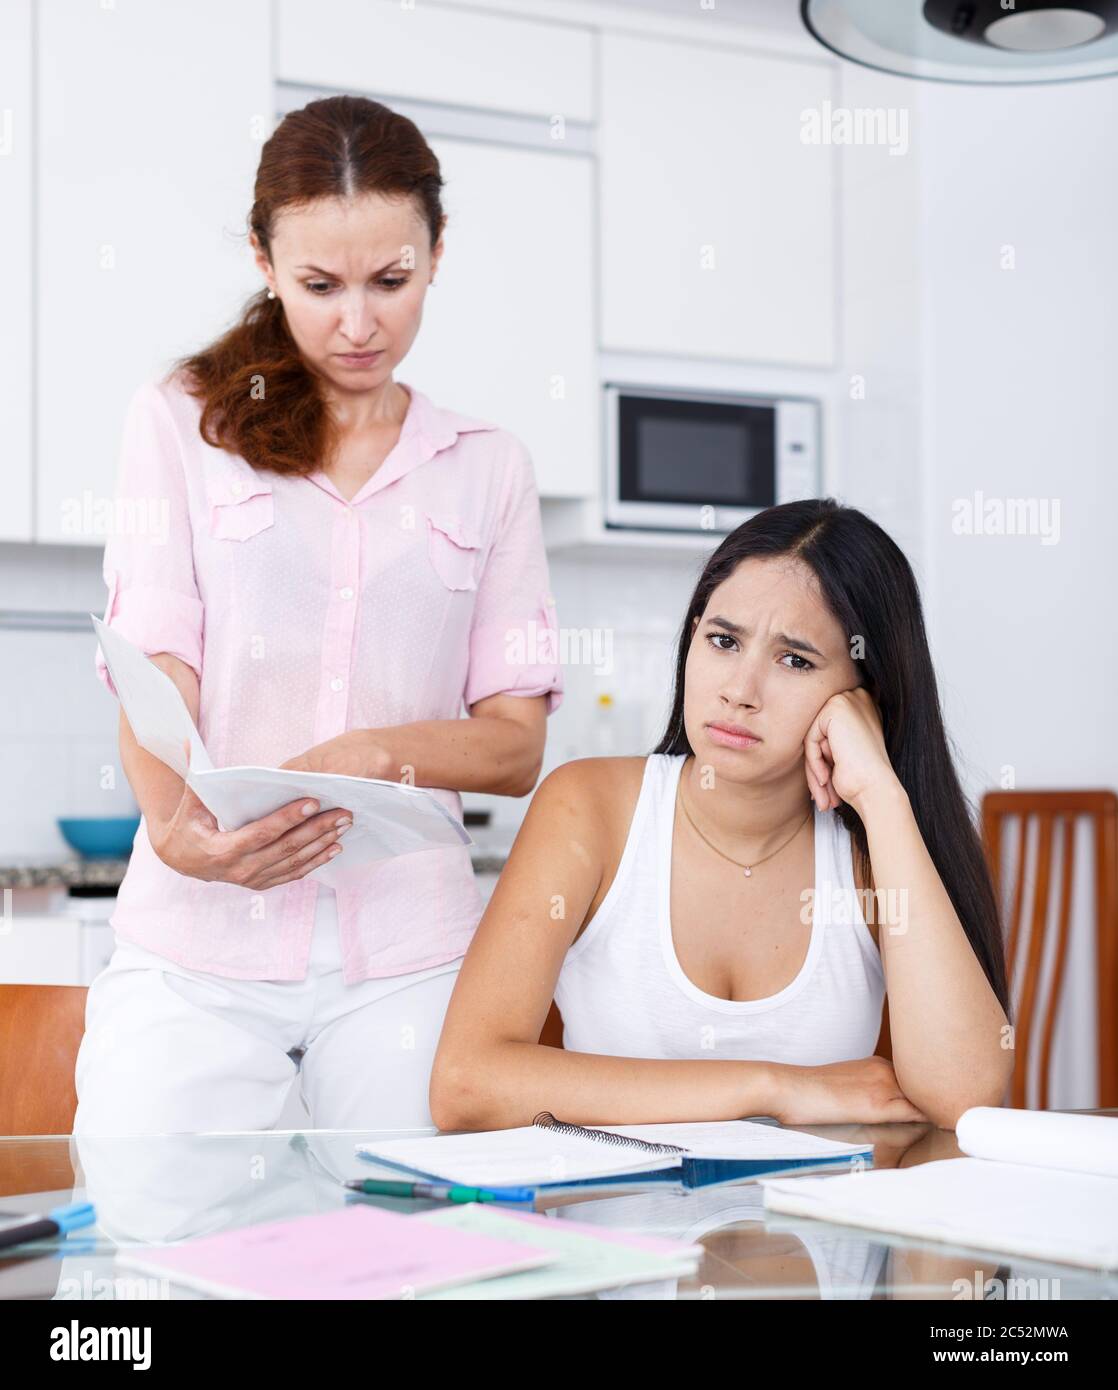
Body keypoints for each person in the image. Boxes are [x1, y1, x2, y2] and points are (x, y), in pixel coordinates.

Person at [74, 94, 562, 1135]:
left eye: (391, 281)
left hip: (409, 952)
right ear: (262, 260)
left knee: (411, 1259)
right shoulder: (177, 420)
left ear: (437, 253)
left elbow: (516, 748)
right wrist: (173, 827)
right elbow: (157, 660)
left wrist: (371, 754)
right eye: (318, 285)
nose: (357, 323)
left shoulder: (487, 467)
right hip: (198, 943)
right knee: (159, 1234)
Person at [430, 498, 1013, 1133]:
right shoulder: (587, 806)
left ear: (863, 693)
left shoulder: (872, 847)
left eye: (795, 660)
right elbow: (466, 1084)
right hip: (621, 1224)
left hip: (815, 1229)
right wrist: (775, 1087)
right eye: (723, 641)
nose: (739, 690)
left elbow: (964, 1096)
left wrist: (880, 792)